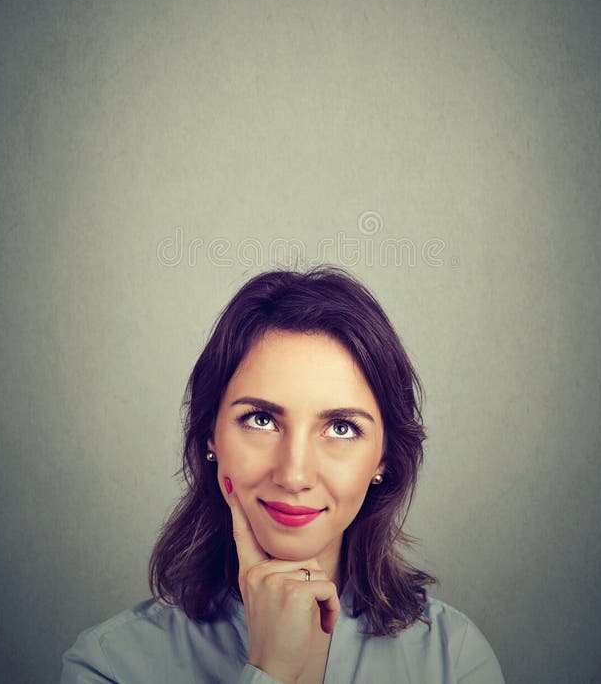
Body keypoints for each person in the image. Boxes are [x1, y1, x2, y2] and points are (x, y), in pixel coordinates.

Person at [60, 266, 505, 683]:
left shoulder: (454, 661)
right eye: (261, 420)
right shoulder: (110, 667)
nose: (294, 475)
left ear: (383, 459)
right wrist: (271, 671)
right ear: (210, 434)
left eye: (341, 428)